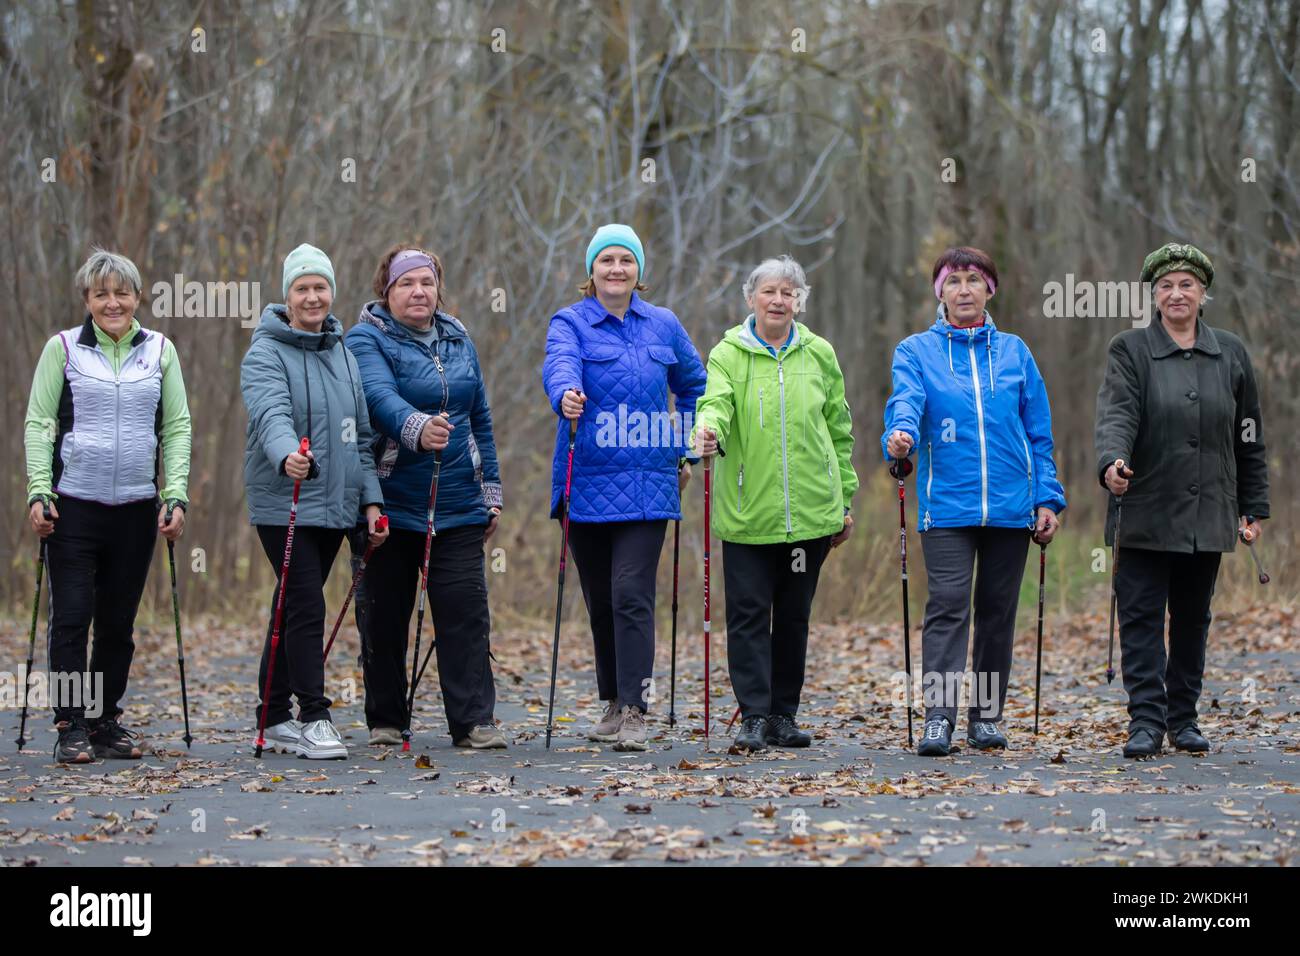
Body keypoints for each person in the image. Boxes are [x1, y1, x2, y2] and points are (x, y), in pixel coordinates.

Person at [882, 246, 1066, 756]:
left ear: (990, 289)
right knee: (947, 607)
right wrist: (899, 434)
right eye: (954, 280)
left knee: (997, 612)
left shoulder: (1015, 353)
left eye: (974, 279)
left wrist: (1047, 498)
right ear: (939, 291)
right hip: (947, 507)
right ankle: (938, 719)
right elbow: (906, 401)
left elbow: (1039, 435)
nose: (964, 289)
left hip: (1012, 507)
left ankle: (985, 719)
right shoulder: (916, 351)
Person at [1095, 241, 1269, 758]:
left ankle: (1184, 718)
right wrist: (1112, 463)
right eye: (1166, 286)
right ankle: (1145, 722)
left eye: (1186, 285)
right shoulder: (1130, 349)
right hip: (1144, 507)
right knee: (1142, 618)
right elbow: (1116, 415)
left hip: (1208, 511)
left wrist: (1252, 505)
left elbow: (1250, 435)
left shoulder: (1231, 353)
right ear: (1154, 295)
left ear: (1203, 293)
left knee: (1193, 618)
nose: (1176, 293)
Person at [542, 224, 707, 751]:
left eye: (626, 260)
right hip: (584, 476)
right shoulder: (570, 322)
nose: (617, 269)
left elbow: (695, 384)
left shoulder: (663, 324)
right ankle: (612, 700)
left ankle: (637, 708)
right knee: (600, 599)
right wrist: (565, 392)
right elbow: (559, 364)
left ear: (640, 270)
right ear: (590, 271)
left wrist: (683, 445)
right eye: (607, 260)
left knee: (631, 592)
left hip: (649, 479)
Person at [23, 248, 192, 763]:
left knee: (118, 624)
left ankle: (105, 721)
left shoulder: (160, 350)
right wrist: (38, 489)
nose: (112, 303)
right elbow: (39, 422)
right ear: (87, 300)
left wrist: (175, 493)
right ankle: (70, 724)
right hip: (73, 507)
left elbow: (176, 426)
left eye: (122, 293)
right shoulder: (64, 349)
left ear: (138, 297)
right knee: (72, 616)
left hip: (138, 509)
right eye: (102, 294)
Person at [692, 255, 858, 751]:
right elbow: (715, 402)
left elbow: (839, 430)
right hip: (748, 514)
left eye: (789, 292)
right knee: (746, 616)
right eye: (769, 291)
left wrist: (844, 496)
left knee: (792, 618)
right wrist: (708, 430)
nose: (779, 300)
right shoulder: (728, 354)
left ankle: (784, 715)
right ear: (751, 299)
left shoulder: (819, 354)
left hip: (810, 516)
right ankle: (753, 716)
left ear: (800, 302)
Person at [346, 246, 505, 749]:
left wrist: (491, 491)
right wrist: (415, 427)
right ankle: (387, 720)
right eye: (405, 283)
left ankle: (475, 722)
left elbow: (479, 415)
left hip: (457, 502)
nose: (418, 292)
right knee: (385, 616)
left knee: (465, 613)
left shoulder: (458, 338)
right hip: (388, 502)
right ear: (386, 291)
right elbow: (378, 397)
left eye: (426, 282)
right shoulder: (364, 339)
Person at [241, 243, 388, 760]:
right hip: (285, 500)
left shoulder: (344, 354)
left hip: (337, 505)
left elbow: (362, 436)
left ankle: (272, 715)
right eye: (302, 288)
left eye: (319, 287)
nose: (312, 296)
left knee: (291, 605)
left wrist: (371, 503)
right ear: (287, 296)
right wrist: (287, 456)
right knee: (306, 602)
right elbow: (270, 416)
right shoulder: (264, 352)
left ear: (332, 292)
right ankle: (315, 716)